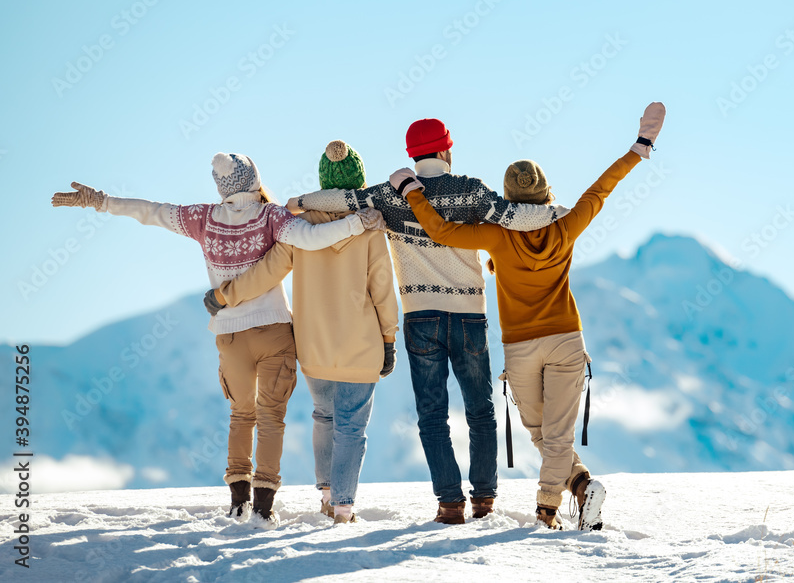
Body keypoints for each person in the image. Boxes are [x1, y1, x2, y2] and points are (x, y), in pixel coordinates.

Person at [51, 153, 382, 523]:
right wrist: (357, 223)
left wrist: (101, 201)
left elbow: (152, 211)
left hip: (230, 335)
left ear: (222, 187)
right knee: (271, 418)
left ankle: (239, 501)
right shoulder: (272, 217)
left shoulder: (203, 218)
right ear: (255, 179)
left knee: (241, 415)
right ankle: (263, 507)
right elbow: (313, 237)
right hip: (273, 331)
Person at [389, 102, 665, 530]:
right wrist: (639, 147)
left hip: (520, 348)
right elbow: (601, 190)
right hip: (566, 341)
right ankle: (582, 486)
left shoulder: (497, 236)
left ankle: (547, 511)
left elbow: (440, 231)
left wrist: (411, 191)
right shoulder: (566, 225)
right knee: (552, 436)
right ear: (546, 194)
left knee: (543, 434)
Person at [286, 119, 568, 524]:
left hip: (420, 317)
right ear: (446, 150)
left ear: (412, 155)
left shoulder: (389, 195)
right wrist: (561, 213)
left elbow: (342, 198)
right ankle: (484, 500)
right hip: (469, 315)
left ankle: (450, 504)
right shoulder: (470, 189)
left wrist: (299, 201)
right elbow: (515, 217)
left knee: (433, 415)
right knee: (480, 410)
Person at [205, 141, 397, 525]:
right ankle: (343, 508)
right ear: (358, 182)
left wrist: (225, 295)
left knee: (324, 416)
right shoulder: (369, 228)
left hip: (312, 346)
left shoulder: (300, 227)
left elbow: (266, 273)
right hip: (361, 346)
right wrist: (389, 339)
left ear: (323, 182)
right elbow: (382, 291)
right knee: (351, 426)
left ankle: (327, 497)